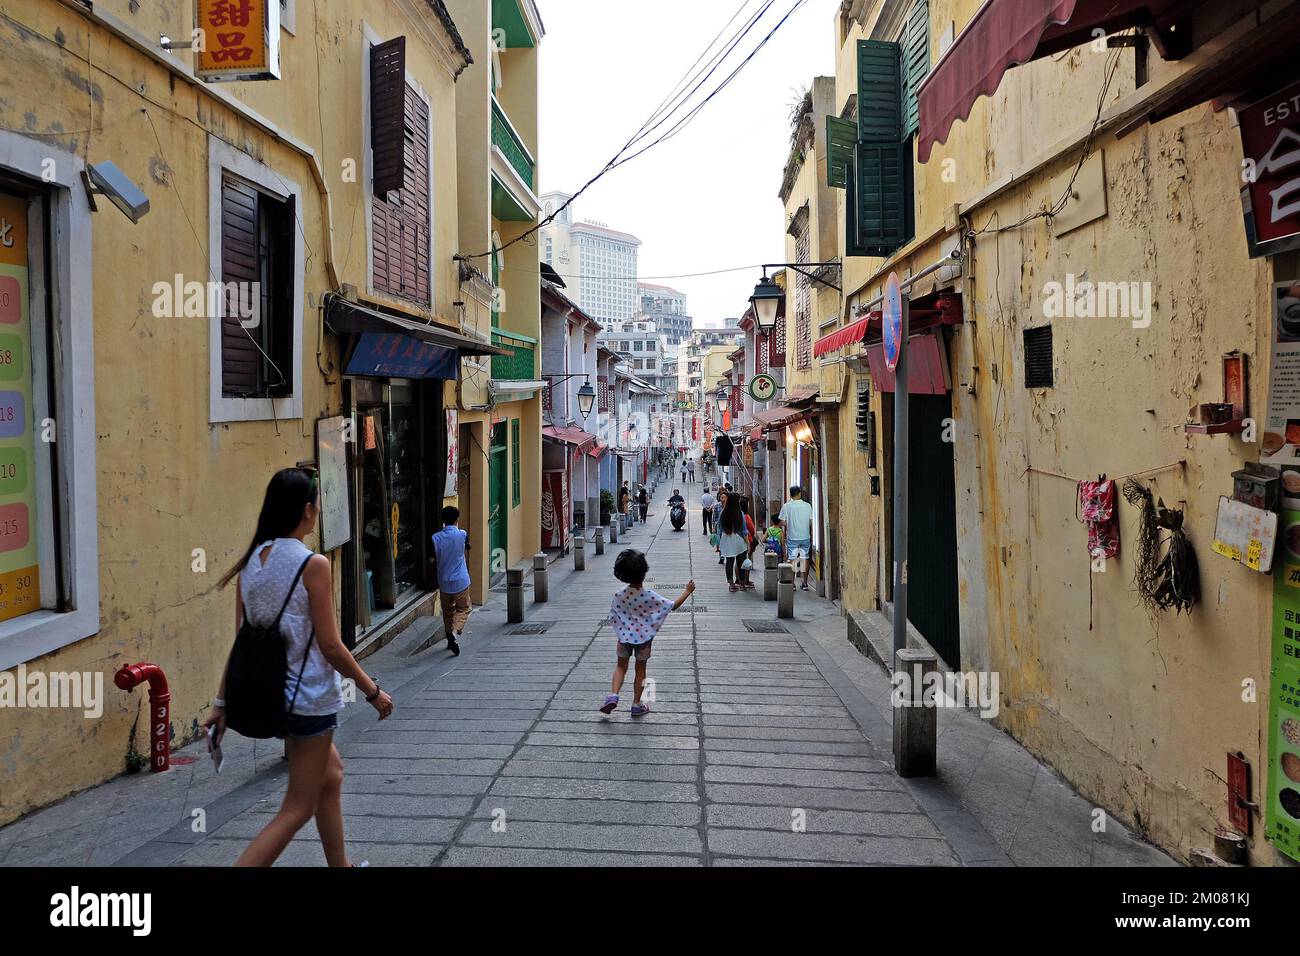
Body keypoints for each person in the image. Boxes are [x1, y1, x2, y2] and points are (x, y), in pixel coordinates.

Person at [206, 468, 394, 867]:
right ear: (307, 511)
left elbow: (242, 642)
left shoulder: (252, 562)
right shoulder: (313, 564)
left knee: (332, 775)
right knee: (296, 809)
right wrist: (371, 690)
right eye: (317, 507)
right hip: (307, 700)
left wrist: (221, 703)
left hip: (275, 697)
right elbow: (330, 645)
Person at [600, 549, 694, 717]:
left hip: (624, 638)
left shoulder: (619, 595)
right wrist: (687, 591)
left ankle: (613, 695)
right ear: (644, 574)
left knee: (621, 666)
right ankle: (637, 704)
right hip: (643, 641)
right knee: (640, 670)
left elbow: (615, 613)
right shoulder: (649, 596)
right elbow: (672, 605)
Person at [432, 505, 472, 656]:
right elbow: (468, 546)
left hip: (444, 581)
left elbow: (432, 557)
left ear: (443, 520)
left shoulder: (435, 538)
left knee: (448, 611)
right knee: (463, 608)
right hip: (460, 580)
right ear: (457, 519)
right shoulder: (462, 534)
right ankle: (454, 633)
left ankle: (450, 640)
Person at [779, 485, 815, 590]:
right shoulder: (808, 506)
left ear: (790, 494)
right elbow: (810, 521)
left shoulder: (786, 506)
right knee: (805, 559)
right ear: (799, 493)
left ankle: (792, 583)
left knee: (792, 559)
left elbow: (782, 521)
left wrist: (789, 524)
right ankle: (805, 583)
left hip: (792, 537)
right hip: (805, 536)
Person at [718, 494, 753, 592]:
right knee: (740, 562)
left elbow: (720, 529)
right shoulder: (740, 513)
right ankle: (742, 583)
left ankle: (731, 584)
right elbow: (744, 530)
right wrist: (748, 543)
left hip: (727, 540)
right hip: (739, 540)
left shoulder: (723, 513)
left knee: (729, 562)